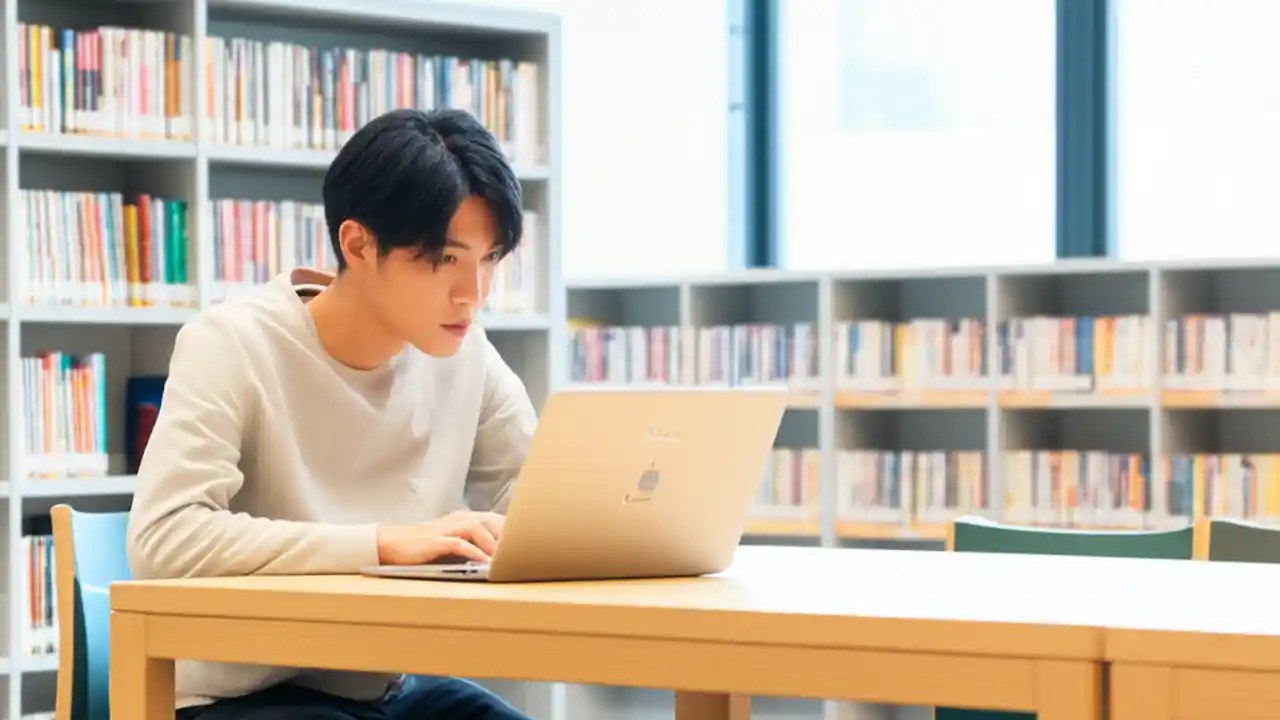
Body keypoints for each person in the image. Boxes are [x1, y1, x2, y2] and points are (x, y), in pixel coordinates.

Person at [126, 107, 539, 719]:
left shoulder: (465, 351)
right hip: (239, 695)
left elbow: (537, 502)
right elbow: (162, 539)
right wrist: (381, 544)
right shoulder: (232, 343)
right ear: (358, 243)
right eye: (445, 260)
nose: (473, 293)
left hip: (384, 685)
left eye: (490, 260)